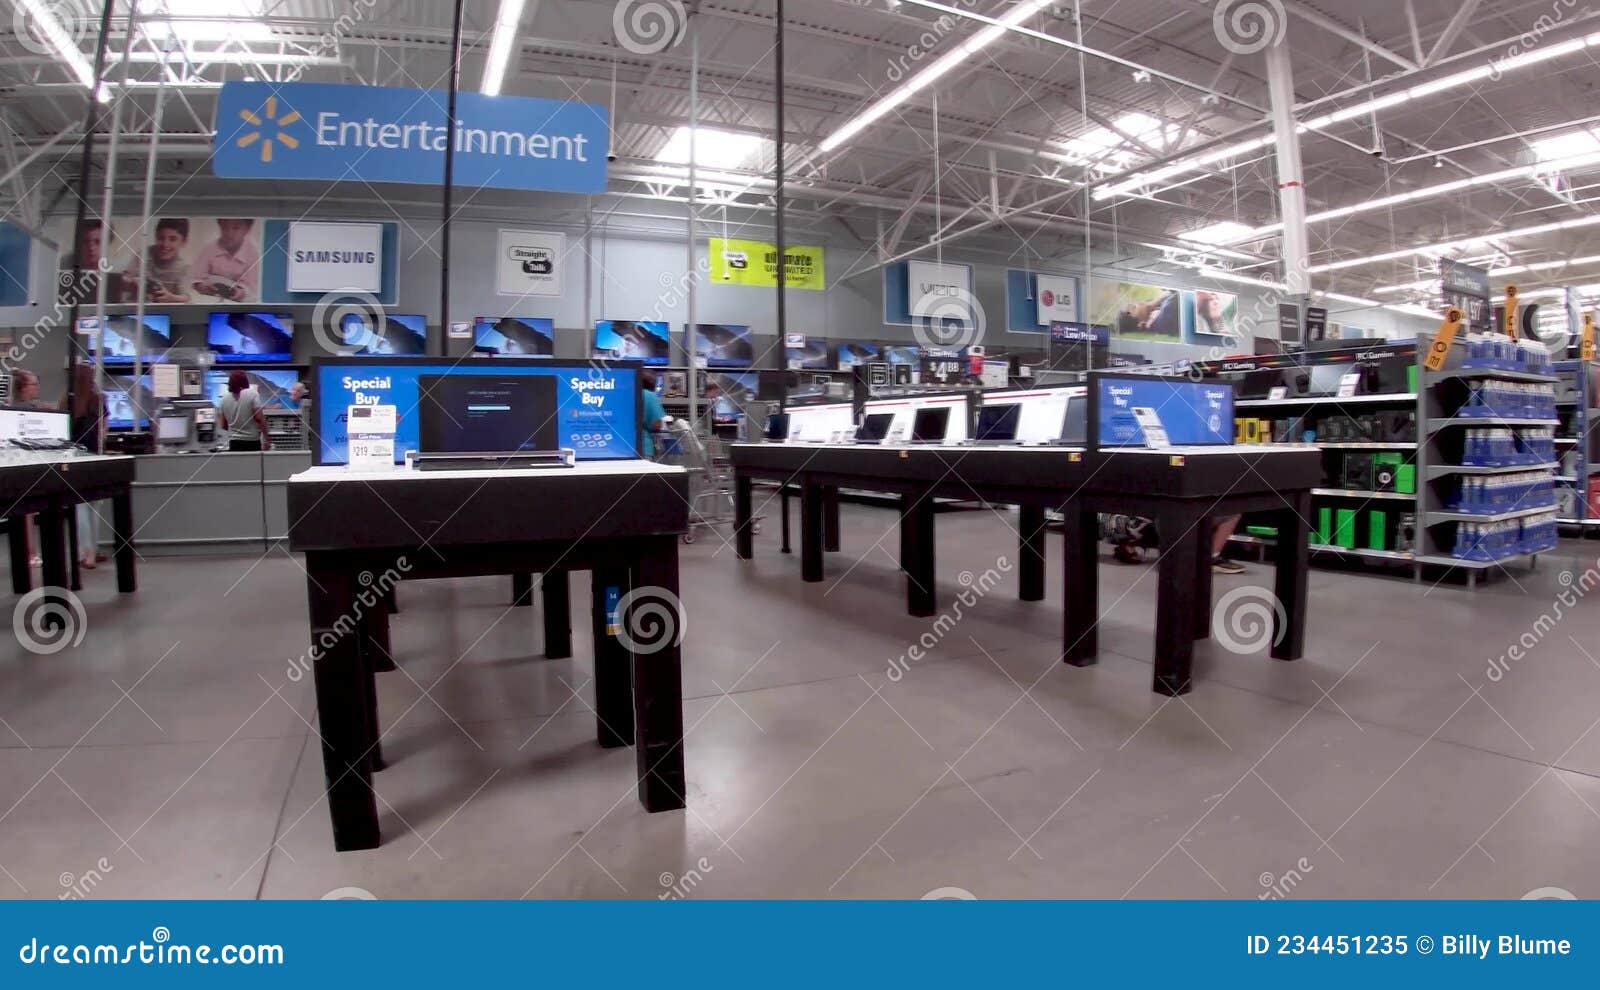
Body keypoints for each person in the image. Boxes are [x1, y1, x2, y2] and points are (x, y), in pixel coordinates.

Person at [67, 364, 107, 570]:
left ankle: (85, 552)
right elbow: (103, 432)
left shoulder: (67, 399)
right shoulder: (99, 399)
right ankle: (94, 550)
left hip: (74, 458)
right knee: (95, 505)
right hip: (94, 458)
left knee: (79, 506)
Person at [190, 218, 259, 302]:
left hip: (238, 302)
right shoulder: (209, 248)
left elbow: (249, 287)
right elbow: (197, 277)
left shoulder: (253, 254)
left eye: (235, 228)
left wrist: (237, 292)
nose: (229, 234)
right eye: (224, 228)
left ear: (247, 230)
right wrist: (202, 287)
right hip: (210, 297)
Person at [125, 218, 192, 304]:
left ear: (184, 242)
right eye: (161, 238)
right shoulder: (144, 254)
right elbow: (125, 277)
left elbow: (186, 297)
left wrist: (171, 297)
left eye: (173, 239)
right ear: (156, 237)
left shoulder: (183, 267)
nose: (165, 244)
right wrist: (133, 283)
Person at [218, 371, 271, 452]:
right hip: (252, 442)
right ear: (245, 381)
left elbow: (223, 425)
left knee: (238, 464)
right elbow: (259, 419)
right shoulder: (252, 394)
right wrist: (267, 439)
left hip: (234, 443)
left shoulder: (223, 399)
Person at [639, 372, 666, 458]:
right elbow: (656, 424)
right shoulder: (650, 396)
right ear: (653, 384)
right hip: (644, 448)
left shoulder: (628, 394)